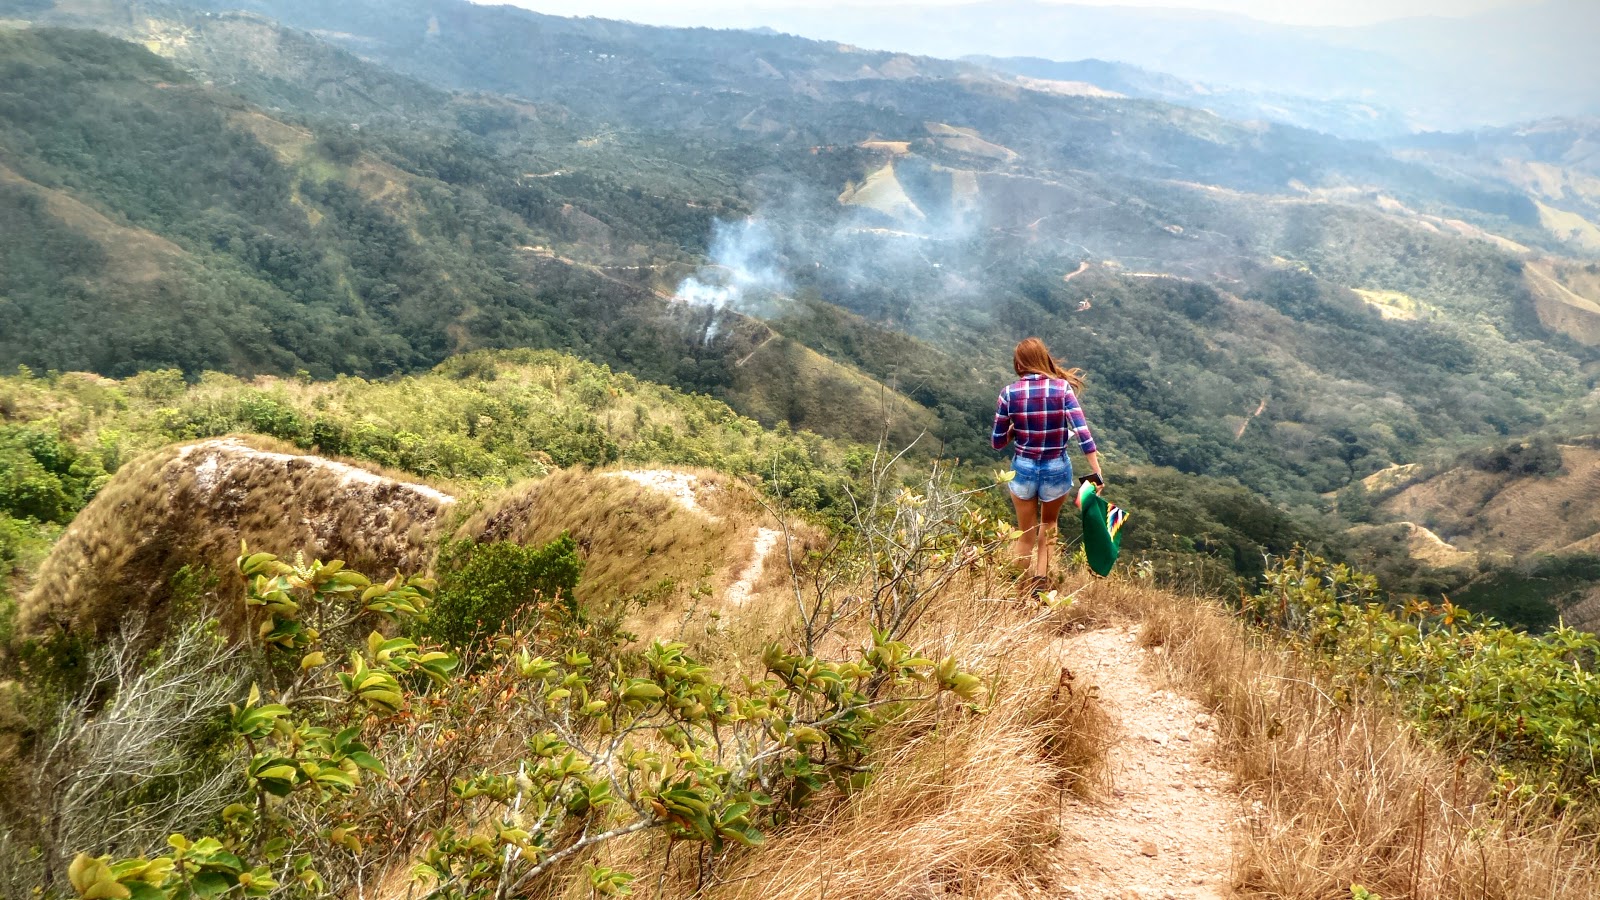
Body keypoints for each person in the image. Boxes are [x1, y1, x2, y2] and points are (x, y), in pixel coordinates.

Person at [991, 337, 1104, 586]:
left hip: (1023, 469)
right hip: (1056, 468)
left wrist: (1014, 429)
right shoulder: (1062, 389)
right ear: (1043, 359)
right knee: (1049, 523)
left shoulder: (1008, 393)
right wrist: (1097, 473)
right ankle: (1040, 581)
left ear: (1019, 363)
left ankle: (1015, 588)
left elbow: (997, 442)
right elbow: (1083, 433)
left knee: (1025, 533)